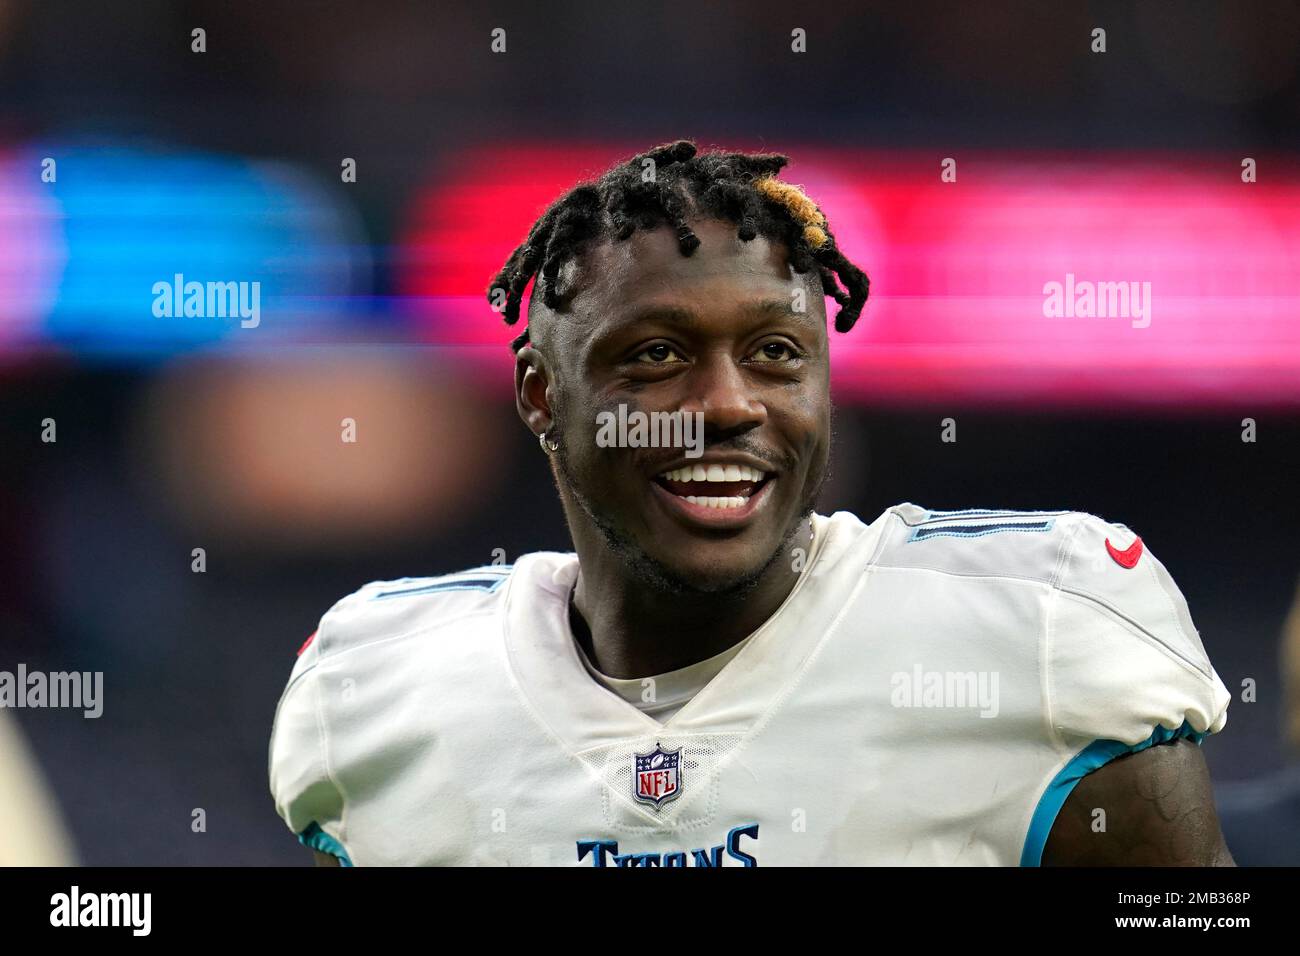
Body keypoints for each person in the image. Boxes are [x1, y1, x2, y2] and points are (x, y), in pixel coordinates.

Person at [269, 140, 1233, 866]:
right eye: (657, 356)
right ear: (541, 396)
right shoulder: (374, 692)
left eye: (776, 353)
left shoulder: (1045, 629)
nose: (728, 406)